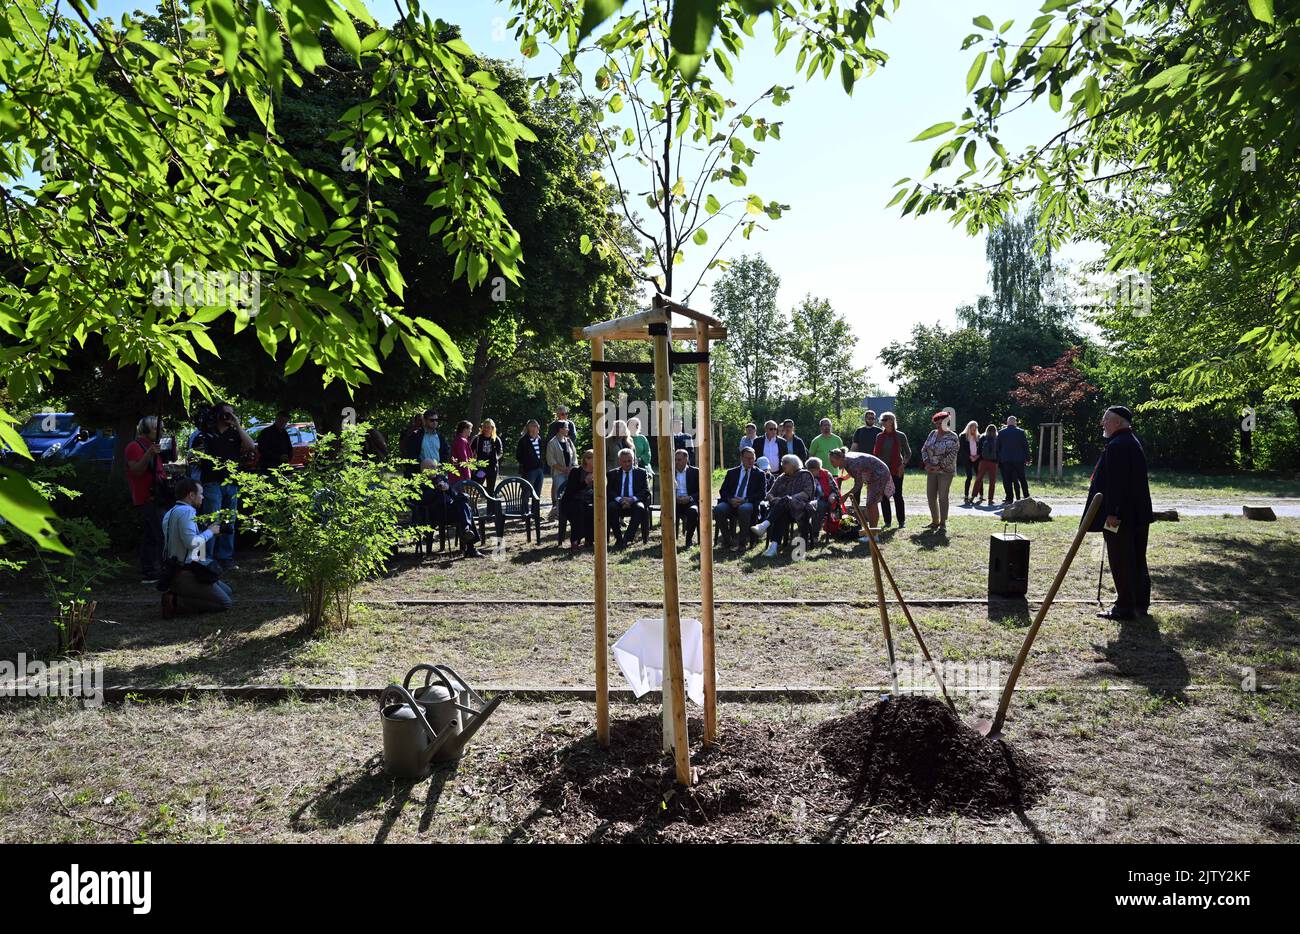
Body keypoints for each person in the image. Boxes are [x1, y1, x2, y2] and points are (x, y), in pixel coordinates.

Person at [1086, 406, 1153, 621]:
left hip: (1120, 517)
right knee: (1136, 559)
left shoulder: (1118, 445)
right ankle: (1139, 604)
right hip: (1136, 515)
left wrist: (1113, 513)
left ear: (1117, 422)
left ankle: (1124, 607)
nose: (1102, 424)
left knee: (1121, 559)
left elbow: (1117, 484)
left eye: (1106, 420)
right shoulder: (1130, 441)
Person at [191, 401, 255, 571]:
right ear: (217, 415)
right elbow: (194, 460)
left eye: (231, 413)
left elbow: (250, 446)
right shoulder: (205, 434)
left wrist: (237, 424)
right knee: (212, 520)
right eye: (226, 413)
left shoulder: (235, 434)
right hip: (212, 482)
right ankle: (207, 557)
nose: (229, 417)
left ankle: (226, 557)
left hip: (231, 483)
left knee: (229, 521)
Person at [160, 478, 233, 616]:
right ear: (191, 495)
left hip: (176, 571)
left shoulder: (171, 512)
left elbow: (191, 548)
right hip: (184, 574)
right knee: (226, 603)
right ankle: (175, 601)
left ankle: (181, 593)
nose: (203, 497)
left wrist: (206, 532)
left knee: (227, 591)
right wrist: (210, 532)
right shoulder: (187, 512)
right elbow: (192, 543)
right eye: (200, 493)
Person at [125, 416, 167, 584]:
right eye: (157, 428)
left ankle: (151, 570)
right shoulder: (134, 446)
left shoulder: (152, 446)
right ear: (146, 430)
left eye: (162, 428)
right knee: (157, 534)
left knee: (152, 534)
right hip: (146, 497)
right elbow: (136, 470)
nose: (161, 432)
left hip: (158, 496)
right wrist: (149, 454)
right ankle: (152, 570)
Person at [751, 454, 815, 558]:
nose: (782, 465)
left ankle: (765, 525)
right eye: (782, 462)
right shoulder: (781, 477)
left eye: (785, 463)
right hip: (782, 510)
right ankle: (774, 547)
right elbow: (770, 494)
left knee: (785, 500)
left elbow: (807, 494)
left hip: (800, 508)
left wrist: (788, 498)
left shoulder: (805, 475)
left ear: (793, 465)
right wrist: (773, 499)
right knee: (782, 511)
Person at [828, 447, 893, 540]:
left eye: (832, 461)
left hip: (879, 473)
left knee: (871, 503)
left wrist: (846, 496)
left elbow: (858, 485)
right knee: (871, 503)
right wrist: (848, 476)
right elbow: (859, 469)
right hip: (874, 473)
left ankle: (873, 535)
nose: (831, 463)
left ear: (840, 458)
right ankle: (872, 534)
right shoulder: (846, 460)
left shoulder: (853, 463)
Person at [714, 446, 764, 548]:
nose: (750, 461)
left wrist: (745, 500)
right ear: (741, 458)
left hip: (748, 502)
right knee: (718, 509)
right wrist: (730, 499)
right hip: (731, 502)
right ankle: (728, 540)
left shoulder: (759, 474)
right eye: (748, 458)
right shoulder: (732, 472)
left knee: (744, 508)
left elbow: (762, 493)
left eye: (752, 458)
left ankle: (742, 542)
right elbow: (723, 490)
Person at [920, 411, 959, 531]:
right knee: (931, 496)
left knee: (943, 497)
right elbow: (924, 449)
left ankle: (943, 523)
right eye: (936, 423)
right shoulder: (932, 434)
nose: (938, 426)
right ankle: (934, 521)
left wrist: (940, 466)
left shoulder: (953, 436)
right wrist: (927, 463)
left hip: (946, 471)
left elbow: (953, 454)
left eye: (941, 423)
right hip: (931, 470)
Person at [872, 412, 910, 529]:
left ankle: (901, 522)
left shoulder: (900, 435)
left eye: (885, 419)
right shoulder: (879, 436)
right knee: (884, 497)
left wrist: (902, 465)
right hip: (882, 470)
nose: (882, 421)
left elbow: (908, 453)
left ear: (892, 421)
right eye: (882, 420)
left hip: (896, 469)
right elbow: (876, 455)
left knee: (897, 495)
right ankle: (887, 522)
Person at [607, 447, 650, 549]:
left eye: (629, 461)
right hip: (618, 501)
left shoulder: (641, 472)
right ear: (619, 461)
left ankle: (627, 538)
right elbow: (609, 491)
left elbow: (646, 490)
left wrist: (632, 499)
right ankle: (619, 538)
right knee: (610, 507)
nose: (627, 464)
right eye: (624, 461)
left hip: (634, 500)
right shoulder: (612, 473)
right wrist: (620, 499)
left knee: (640, 508)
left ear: (633, 460)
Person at [560, 449, 597, 551]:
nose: (598, 461)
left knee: (593, 510)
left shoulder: (598, 472)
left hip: (589, 501)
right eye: (595, 458)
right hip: (571, 502)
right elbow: (571, 491)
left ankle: (589, 540)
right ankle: (575, 541)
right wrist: (585, 481)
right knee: (579, 509)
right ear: (587, 460)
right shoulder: (576, 471)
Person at [805, 456, 842, 542]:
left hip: (824, 499)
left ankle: (814, 534)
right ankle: (804, 532)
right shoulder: (806, 475)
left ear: (818, 469)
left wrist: (832, 495)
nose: (810, 472)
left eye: (812, 470)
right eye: (809, 470)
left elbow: (835, 489)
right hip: (808, 499)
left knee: (819, 506)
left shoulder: (826, 474)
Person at [997, 415, 1033, 502]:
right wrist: (1027, 458)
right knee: (1022, 478)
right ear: (1015, 422)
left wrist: (999, 459)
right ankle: (1026, 496)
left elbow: (998, 447)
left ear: (1007, 422)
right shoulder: (1021, 432)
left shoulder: (1001, 432)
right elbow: (1025, 446)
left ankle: (1009, 498)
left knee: (1007, 480)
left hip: (1006, 460)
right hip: (1018, 459)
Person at [671, 448, 701, 547]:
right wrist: (675, 498)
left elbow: (701, 491)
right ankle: (670, 539)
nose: (676, 462)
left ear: (686, 459)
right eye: (675, 459)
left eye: (679, 459)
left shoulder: (695, 472)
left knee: (693, 511)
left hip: (689, 500)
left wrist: (689, 498)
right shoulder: (670, 472)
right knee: (667, 512)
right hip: (675, 501)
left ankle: (689, 539)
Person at [546, 421, 576, 518]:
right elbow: (551, 460)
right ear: (560, 429)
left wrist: (572, 468)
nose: (568, 429)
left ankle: (569, 514)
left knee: (570, 493)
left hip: (570, 473)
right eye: (566, 427)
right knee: (559, 495)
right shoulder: (552, 443)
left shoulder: (569, 441)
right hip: (559, 473)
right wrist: (564, 470)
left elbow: (574, 456)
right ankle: (559, 515)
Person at [516, 419, 546, 498]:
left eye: (536, 426)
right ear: (528, 428)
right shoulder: (523, 440)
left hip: (540, 469)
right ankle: (524, 510)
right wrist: (528, 463)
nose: (536, 428)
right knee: (526, 492)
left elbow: (543, 454)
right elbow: (519, 456)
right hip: (529, 470)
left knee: (537, 494)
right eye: (533, 426)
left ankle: (535, 510)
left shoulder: (540, 440)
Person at [472, 419, 503, 493]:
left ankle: (490, 503)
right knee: (477, 485)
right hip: (481, 469)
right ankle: (481, 495)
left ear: (492, 428)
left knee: (491, 489)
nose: (486, 429)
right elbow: (470, 450)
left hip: (492, 469)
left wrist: (496, 458)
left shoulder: (496, 439)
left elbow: (500, 452)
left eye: (488, 427)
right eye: (484, 427)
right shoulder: (477, 438)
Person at [958, 420, 982, 506]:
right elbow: (963, 449)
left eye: (975, 429)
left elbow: (980, 448)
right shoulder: (963, 436)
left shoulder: (978, 436)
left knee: (979, 477)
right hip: (967, 459)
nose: (973, 431)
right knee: (969, 476)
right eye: (972, 429)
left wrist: (977, 456)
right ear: (969, 428)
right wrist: (970, 456)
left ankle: (981, 495)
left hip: (976, 459)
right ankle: (966, 495)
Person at [974, 424, 999, 504]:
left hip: (983, 461)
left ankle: (973, 496)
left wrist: (979, 458)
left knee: (979, 479)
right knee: (992, 481)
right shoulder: (997, 438)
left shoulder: (982, 437)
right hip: (994, 462)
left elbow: (978, 450)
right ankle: (990, 499)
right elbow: (999, 450)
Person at [628, 417, 654, 484]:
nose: (634, 426)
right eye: (631, 424)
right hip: (627, 464)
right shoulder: (624, 438)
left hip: (642, 465)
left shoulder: (642, 438)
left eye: (636, 425)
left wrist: (639, 460)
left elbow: (647, 453)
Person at [451, 420, 474, 486]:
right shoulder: (461, 441)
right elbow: (464, 459)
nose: (471, 431)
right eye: (470, 429)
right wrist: (468, 475)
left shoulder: (459, 439)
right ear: (465, 429)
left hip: (456, 473)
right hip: (460, 475)